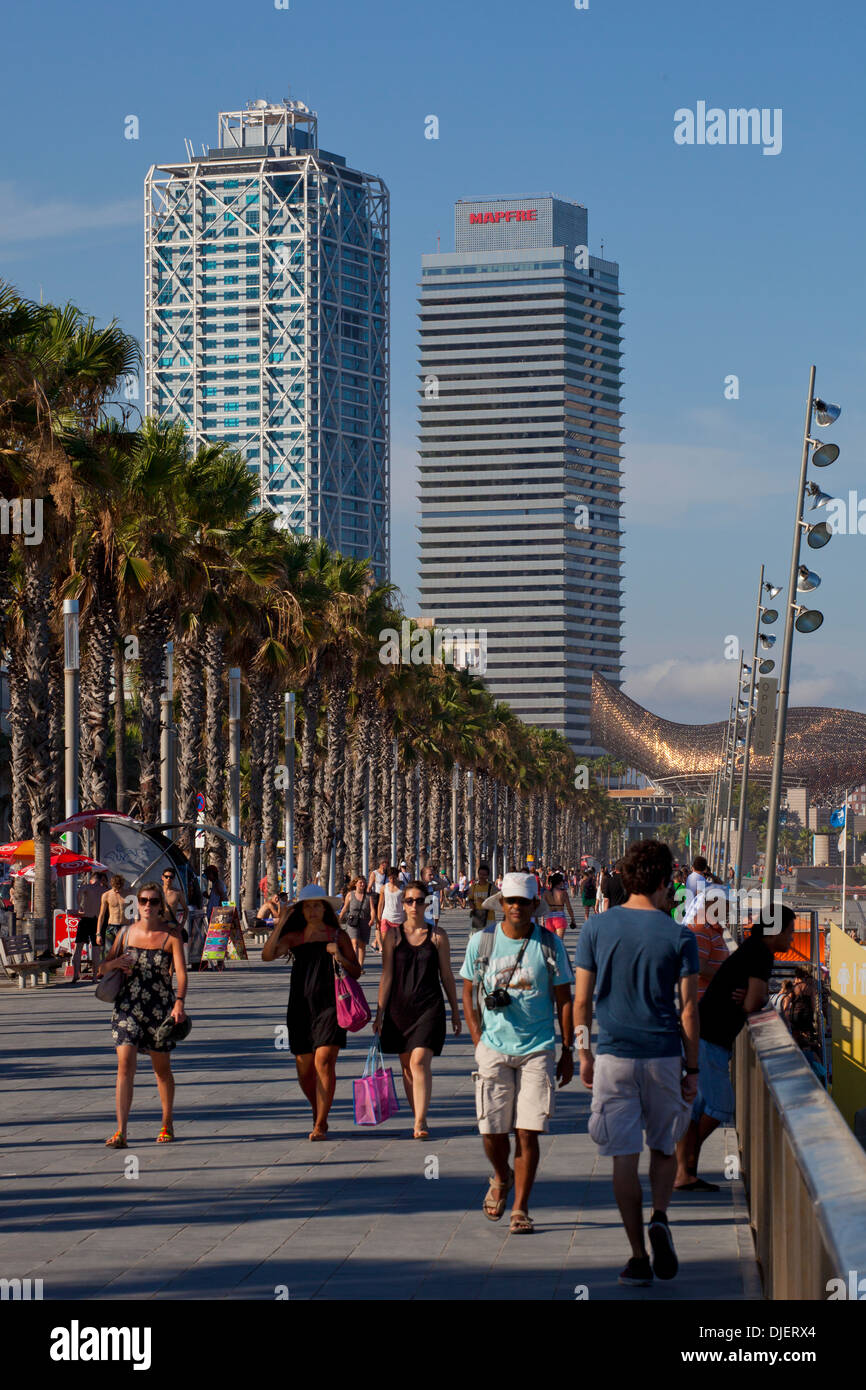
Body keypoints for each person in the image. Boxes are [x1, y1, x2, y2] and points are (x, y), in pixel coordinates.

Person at [574, 839, 700, 1287]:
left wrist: (583, 1052)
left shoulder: (596, 929)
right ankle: (661, 1215)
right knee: (664, 1147)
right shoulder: (680, 936)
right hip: (664, 1056)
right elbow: (687, 1010)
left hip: (612, 1057)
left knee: (622, 1159)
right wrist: (693, 1069)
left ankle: (638, 1256)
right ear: (667, 881)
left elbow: (582, 1001)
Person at [460, 871, 574, 1236]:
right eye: (510, 901)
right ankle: (501, 1174)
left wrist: (569, 1048)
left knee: (528, 1131)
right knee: (491, 1130)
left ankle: (521, 1209)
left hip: (537, 1048)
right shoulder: (482, 942)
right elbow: (468, 991)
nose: (516, 908)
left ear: (532, 906)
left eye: (523, 902)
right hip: (493, 1047)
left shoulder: (549, 945)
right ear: (501, 904)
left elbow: (564, 999)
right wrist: (477, 1038)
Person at [675, 904, 796, 1193]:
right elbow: (752, 1002)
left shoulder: (752, 949)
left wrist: (756, 996)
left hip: (707, 1035)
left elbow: (752, 996)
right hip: (711, 1038)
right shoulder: (761, 954)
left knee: (698, 1107)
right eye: (790, 933)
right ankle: (683, 1162)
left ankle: (685, 1172)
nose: (791, 939)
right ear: (774, 932)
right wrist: (756, 998)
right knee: (721, 1105)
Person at [261, 883, 362, 1140]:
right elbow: (267, 955)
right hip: (300, 1007)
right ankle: (318, 1110)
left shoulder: (337, 936)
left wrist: (339, 956)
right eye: (309, 907)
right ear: (302, 911)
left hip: (331, 1005)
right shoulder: (295, 937)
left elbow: (356, 971)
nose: (314, 910)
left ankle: (320, 1123)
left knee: (324, 1062)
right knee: (304, 1070)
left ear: (325, 909)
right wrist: (281, 922)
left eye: (318, 906)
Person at [98, 881, 188, 1147]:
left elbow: (181, 973)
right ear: (136, 903)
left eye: (154, 901)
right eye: (144, 900)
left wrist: (179, 1002)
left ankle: (167, 1122)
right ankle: (121, 1131)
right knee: (125, 1065)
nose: (148, 905)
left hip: (160, 1008)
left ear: (162, 906)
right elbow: (102, 968)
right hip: (127, 1007)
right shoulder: (125, 934)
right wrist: (115, 963)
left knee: (161, 1070)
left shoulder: (171, 936)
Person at [375, 880, 462, 1138]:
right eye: (409, 901)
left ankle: (420, 1122)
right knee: (406, 1066)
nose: (414, 905)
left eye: (419, 901)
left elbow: (447, 975)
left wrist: (455, 1012)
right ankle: (417, 1115)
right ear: (403, 904)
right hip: (398, 1009)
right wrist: (379, 1013)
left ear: (427, 903)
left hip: (429, 1007)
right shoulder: (392, 935)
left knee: (419, 1061)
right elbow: (386, 975)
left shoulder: (438, 936)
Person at [71, 872, 105, 983]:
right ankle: (94, 977)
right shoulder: (104, 890)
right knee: (96, 950)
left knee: (78, 949)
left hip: (86, 918)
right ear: (101, 880)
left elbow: (79, 892)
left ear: (92, 879)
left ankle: (76, 974)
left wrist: (79, 905)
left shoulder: (87, 887)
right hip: (97, 921)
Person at [339, 876, 373, 969]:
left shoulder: (368, 896)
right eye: (360, 882)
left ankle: (360, 966)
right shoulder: (350, 895)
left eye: (363, 883)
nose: (362, 884)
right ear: (355, 884)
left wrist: (372, 919)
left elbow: (372, 910)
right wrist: (339, 918)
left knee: (362, 945)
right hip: (353, 921)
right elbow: (345, 908)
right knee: (354, 942)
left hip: (365, 921)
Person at [97, 875, 128, 957]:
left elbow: (135, 912)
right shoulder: (106, 895)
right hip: (112, 927)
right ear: (111, 884)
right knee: (109, 953)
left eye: (119, 888)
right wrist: (98, 934)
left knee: (125, 953)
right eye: (115, 889)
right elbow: (101, 915)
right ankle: (109, 969)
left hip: (124, 926)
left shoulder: (128, 894)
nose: (117, 891)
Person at [376, 866, 405, 950]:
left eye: (394, 878)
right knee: (386, 943)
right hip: (386, 918)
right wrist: (378, 919)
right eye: (390, 878)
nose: (392, 880)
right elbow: (381, 904)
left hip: (399, 919)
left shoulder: (403, 888)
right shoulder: (384, 888)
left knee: (398, 944)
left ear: (397, 876)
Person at [541, 872, 576, 938]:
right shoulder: (563, 893)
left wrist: (542, 920)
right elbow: (569, 908)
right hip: (560, 918)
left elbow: (542, 907)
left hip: (549, 919)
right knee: (559, 943)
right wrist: (572, 919)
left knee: (551, 943)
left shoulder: (546, 893)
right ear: (560, 882)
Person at [468, 863, 495, 933]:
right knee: (475, 939)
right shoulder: (473, 886)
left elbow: (495, 902)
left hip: (489, 918)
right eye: (480, 874)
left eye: (484, 875)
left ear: (487, 876)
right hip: (477, 917)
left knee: (489, 940)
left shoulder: (492, 887)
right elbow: (470, 899)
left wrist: (484, 901)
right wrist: (471, 904)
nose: (481, 876)